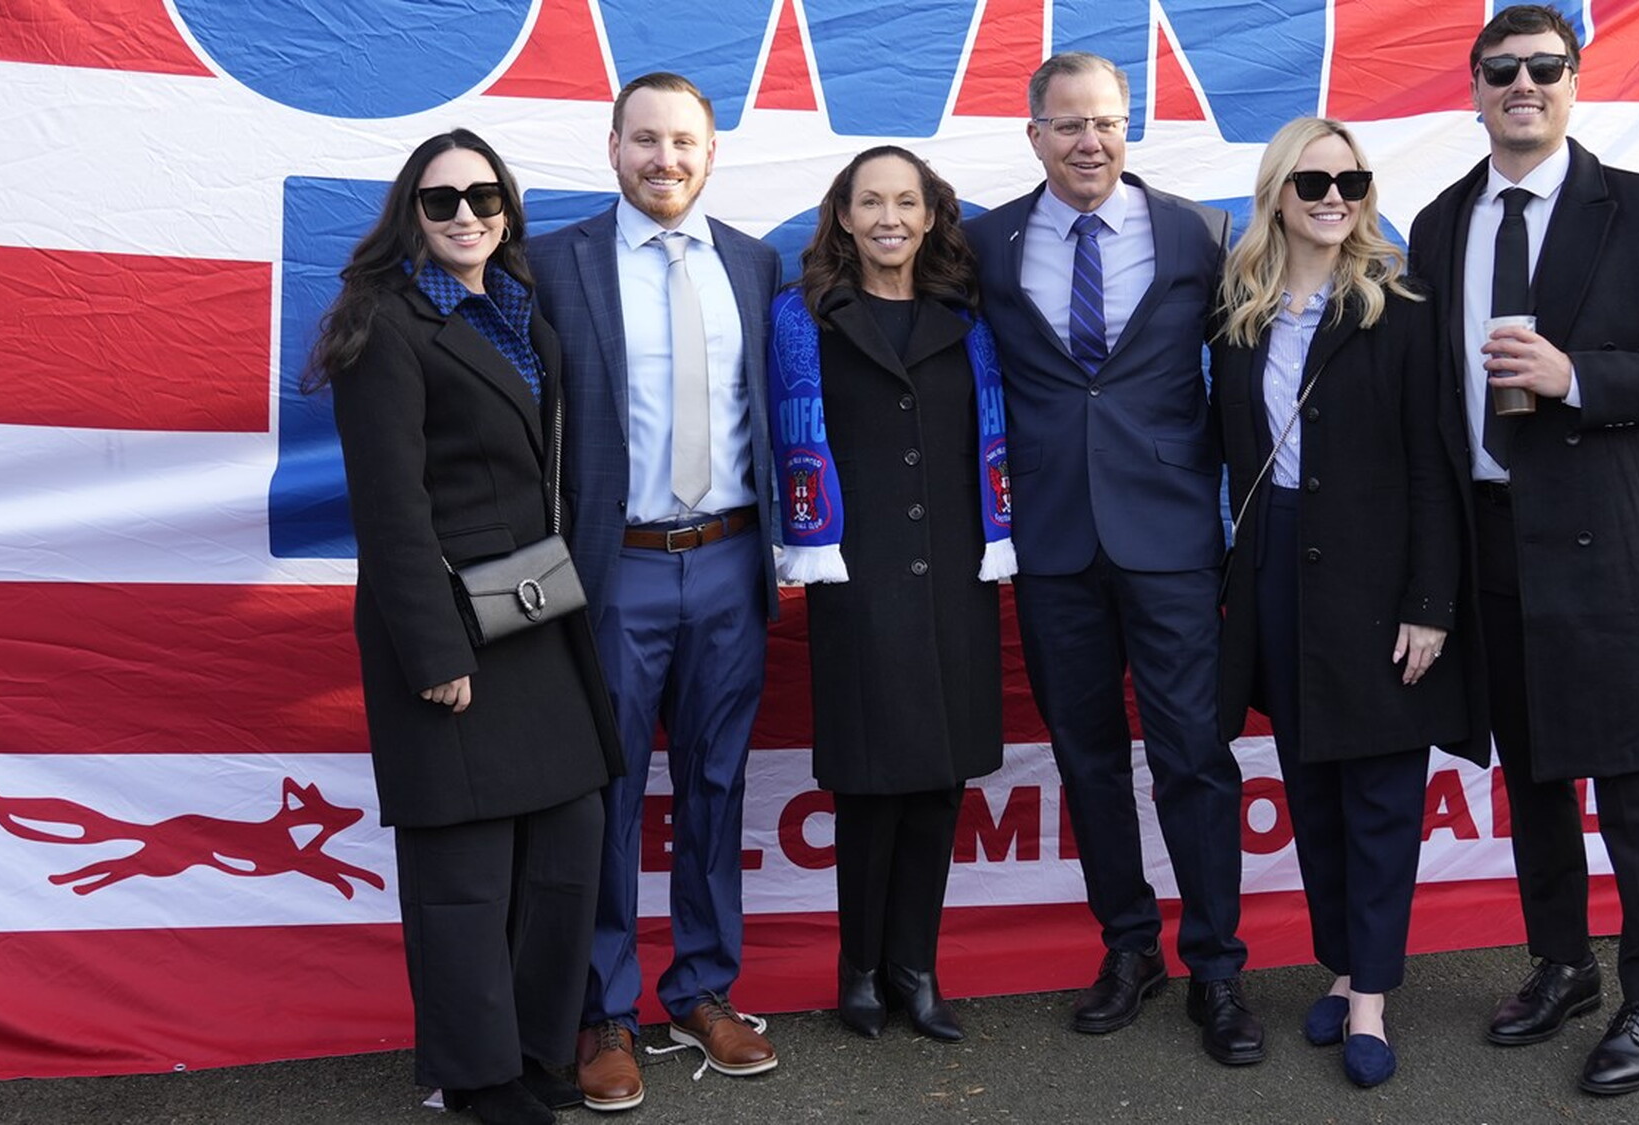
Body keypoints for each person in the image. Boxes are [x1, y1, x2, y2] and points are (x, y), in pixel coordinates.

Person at [1406, 4, 1639, 1096]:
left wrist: (1577, 377)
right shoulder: (1439, 222)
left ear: (1572, 83)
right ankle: (1562, 963)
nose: (1523, 84)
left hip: (1611, 548)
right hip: (1489, 539)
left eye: (1544, 68)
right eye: (1502, 68)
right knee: (1534, 773)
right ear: (1473, 88)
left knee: (1633, 782)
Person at [309, 129, 626, 1125]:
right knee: (465, 867)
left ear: (507, 209)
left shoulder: (520, 309)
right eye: (441, 200)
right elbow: (391, 509)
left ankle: (533, 1051)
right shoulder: (384, 324)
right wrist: (434, 650)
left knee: (567, 841)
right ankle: (477, 1077)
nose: (464, 216)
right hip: (450, 624)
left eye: (483, 197)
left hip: (535, 608)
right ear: (411, 213)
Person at [963, 52, 1260, 1066]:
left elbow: (1246, 378)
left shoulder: (1198, 233)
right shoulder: (985, 244)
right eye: (1069, 124)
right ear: (1034, 133)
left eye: (1107, 123)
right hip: (1052, 540)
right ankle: (1128, 945)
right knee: (1085, 755)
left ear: (1127, 129)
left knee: (1193, 755)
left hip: (1170, 539)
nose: (1089, 142)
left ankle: (1217, 966)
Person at [529, 72, 783, 1111]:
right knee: (609, 790)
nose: (663, 158)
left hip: (730, 557)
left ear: (711, 152)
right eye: (644, 139)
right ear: (612, 148)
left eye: (683, 141)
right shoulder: (552, 263)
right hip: (614, 566)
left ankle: (703, 989)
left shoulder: (755, 263)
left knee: (717, 782)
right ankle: (605, 1009)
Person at [1210, 117, 1479, 1088]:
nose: (1334, 198)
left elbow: (1434, 465)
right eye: (1314, 181)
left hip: (1378, 577)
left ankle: (1370, 997)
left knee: (1379, 797)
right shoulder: (1238, 313)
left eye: (1351, 182)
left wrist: (1429, 602)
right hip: (1277, 572)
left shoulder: (1400, 306)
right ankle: (1342, 964)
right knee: (1313, 790)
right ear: (1277, 193)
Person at [767, 146, 1015, 1043]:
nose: (889, 219)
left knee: (941, 784)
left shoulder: (968, 316)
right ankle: (861, 968)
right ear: (842, 215)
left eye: (906, 202)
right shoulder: (804, 317)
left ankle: (917, 966)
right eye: (870, 202)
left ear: (930, 214)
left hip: (955, 579)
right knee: (870, 789)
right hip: (859, 581)